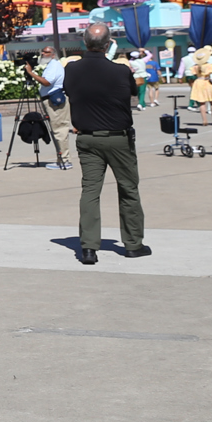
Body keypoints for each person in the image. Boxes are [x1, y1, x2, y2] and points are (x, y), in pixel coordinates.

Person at [62, 22, 145, 264]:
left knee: (90, 191)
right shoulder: (120, 70)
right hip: (118, 137)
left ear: (84, 43)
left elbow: (69, 90)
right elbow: (131, 91)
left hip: (87, 138)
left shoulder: (73, 70)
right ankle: (133, 244)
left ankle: (88, 247)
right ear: (108, 44)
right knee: (128, 189)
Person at [23, 46, 74, 169]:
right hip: (51, 100)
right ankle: (61, 159)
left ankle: (65, 160)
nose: (42, 53)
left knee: (59, 130)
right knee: (57, 130)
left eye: (46, 52)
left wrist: (30, 72)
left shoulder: (54, 65)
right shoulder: (51, 65)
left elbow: (47, 82)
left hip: (55, 101)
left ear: (53, 54)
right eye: (42, 51)